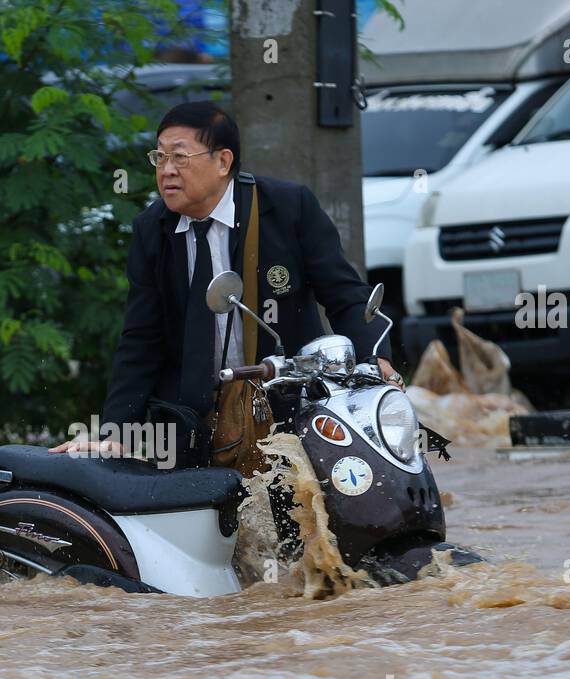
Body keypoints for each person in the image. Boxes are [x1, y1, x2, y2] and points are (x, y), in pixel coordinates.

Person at [51, 100, 402, 466]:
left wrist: (374, 359)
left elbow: (345, 295)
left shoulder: (287, 208)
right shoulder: (151, 229)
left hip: (285, 404)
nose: (167, 170)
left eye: (180, 157)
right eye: (159, 158)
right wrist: (116, 434)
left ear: (223, 162)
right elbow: (142, 337)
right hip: (189, 418)